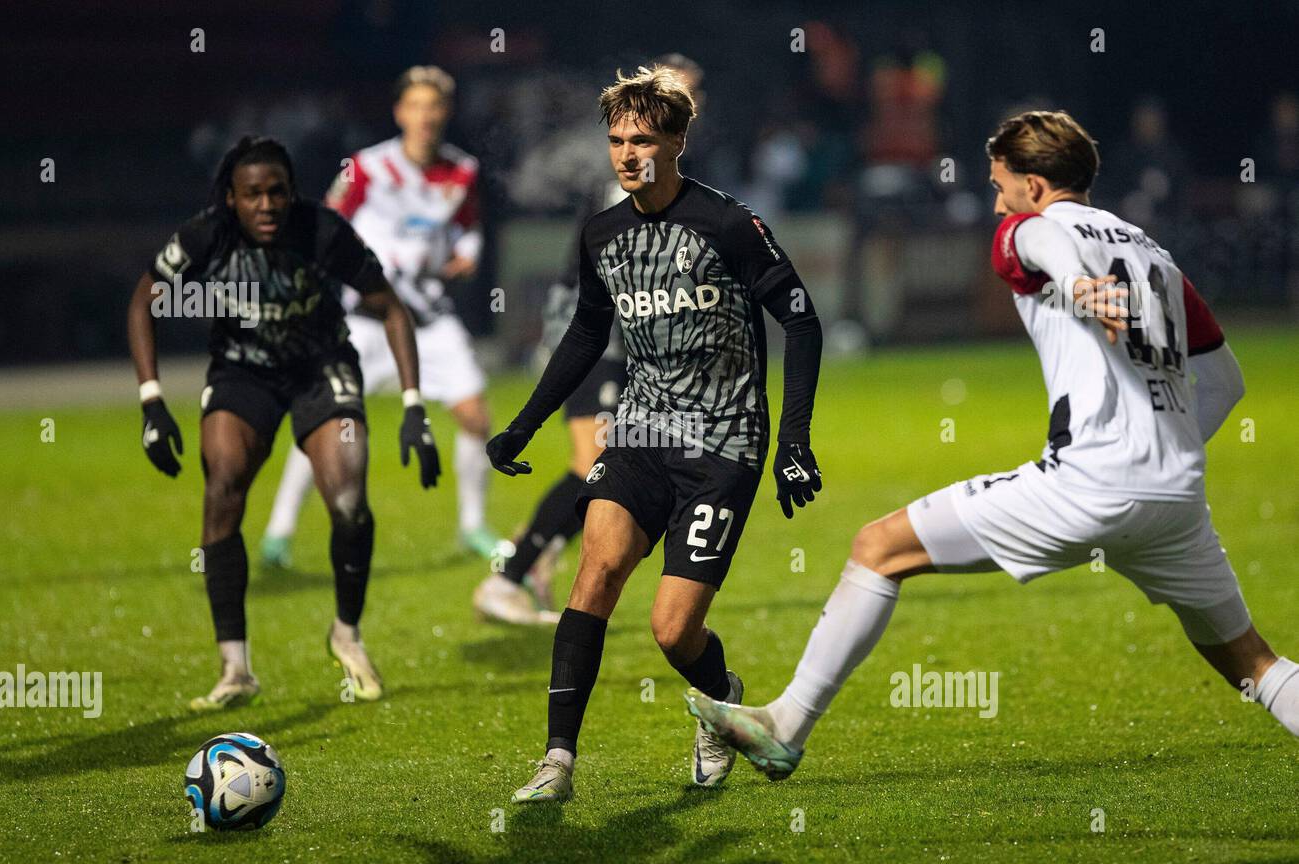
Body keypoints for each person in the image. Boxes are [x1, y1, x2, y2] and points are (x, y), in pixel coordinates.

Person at [686, 110, 1297, 781]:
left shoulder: (1031, 230)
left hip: (1087, 486)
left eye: (1002, 183)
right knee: (1255, 665)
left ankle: (786, 725)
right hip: (1175, 498)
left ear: (1034, 185)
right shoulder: (1155, 254)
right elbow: (1226, 381)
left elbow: (1037, 241)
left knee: (878, 548)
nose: (996, 197)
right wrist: (1166, 448)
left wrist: (1076, 284)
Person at [486, 66, 824, 802]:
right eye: (616, 139)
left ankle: (722, 697)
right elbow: (583, 334)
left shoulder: (729, 224)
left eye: (643, 138)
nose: (627, 153)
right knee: (594, 575)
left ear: (677, 140)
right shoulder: (601, 234)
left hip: (723, 443)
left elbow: (801, 320)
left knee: (673, 631)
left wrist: (793, 442)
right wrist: (522, 425)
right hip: (638, 432)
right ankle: (557, 763)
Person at [127, 136, 440, 710]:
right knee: (223, 488)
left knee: (348, 505)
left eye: (277, 192)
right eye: (253, 195)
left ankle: (346, 632)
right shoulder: (206, 233)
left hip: (321, 369)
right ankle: (235, 668)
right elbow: (144, 298)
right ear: (231, 198)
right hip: (242, 374)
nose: (267, 205)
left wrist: (414, 407)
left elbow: (390, 306)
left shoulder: (323, 231)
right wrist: (152, 402)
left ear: (292, 193)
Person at [473, 55, 706, 627]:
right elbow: (617, 264)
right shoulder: (628, 173)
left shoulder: (669, 173)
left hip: (628, 344)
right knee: (596, 463)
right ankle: (508, 576)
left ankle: (538, 559)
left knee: (616, 468)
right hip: (592, 335)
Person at [260, 65, 503, 567]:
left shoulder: (462, 171)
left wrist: (469, 252)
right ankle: (278, 535)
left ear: (446, 114)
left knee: (476, 417)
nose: (425, 117)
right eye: (415, 106)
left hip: (429, 318)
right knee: (324, 423)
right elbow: (324, 223)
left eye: (434, 107)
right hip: (367, 321)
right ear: (399, 112)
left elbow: (467, 227)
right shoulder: (365, 167)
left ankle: (474, 526)